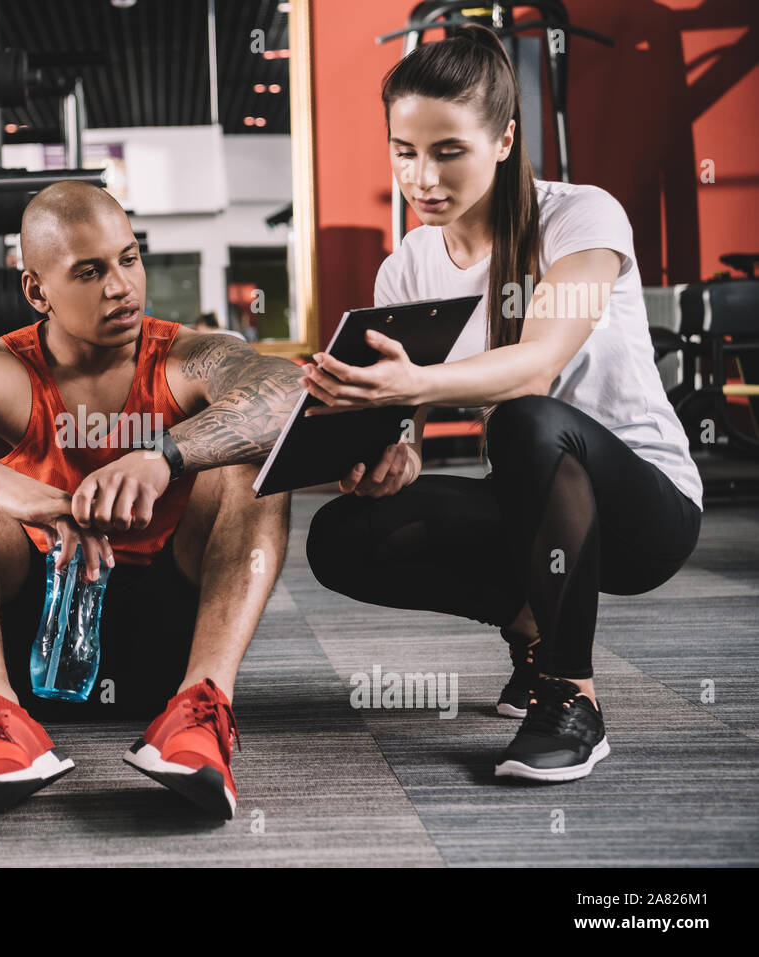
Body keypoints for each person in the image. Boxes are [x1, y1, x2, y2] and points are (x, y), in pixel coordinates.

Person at [300, 25, 702, 783]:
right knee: (341, 536)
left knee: (527, 419)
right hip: (530, 504)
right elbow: (406, 429)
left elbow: (538, 364)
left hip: (644, 511)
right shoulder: (409, 267)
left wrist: (414, 384)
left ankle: (572, 697)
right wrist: (394, 452)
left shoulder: (582, 218)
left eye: (448, 150)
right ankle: (530, 633)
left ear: (505, 138)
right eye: (404, 151)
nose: (423, 177)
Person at [0, 181, 300, 829]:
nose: (121, 286)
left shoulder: (188, 355)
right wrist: (9, 487)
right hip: (38, 645)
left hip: (176, 641)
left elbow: (284, 392)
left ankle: (200, 714)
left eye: (128, 259)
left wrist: (161, 456)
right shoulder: (6, 371)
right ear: (36, 290)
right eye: (90, 271)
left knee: (255, 450)